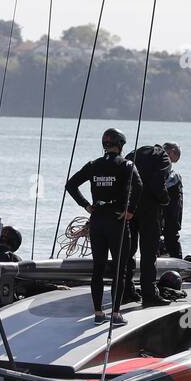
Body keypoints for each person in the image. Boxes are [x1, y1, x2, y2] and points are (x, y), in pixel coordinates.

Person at [66, 128, 140, 325]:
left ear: (104, 145)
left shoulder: (93, 165)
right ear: (121, 145)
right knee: (119, 269)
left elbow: (71, 185)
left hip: (97, 220)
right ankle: (115, 314)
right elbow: (139, 186)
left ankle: (98, 313)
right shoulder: (126, 165)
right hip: (117, 220)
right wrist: (130, 210)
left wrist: (86, 206)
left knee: (98, 268)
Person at [125, 142, 173, 306]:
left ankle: (126, 291)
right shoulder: (162, 157)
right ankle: (149, 294)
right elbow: (158, 182)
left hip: (130, 208)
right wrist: (165, 199)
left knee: (127, 252)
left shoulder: (132, 154)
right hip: (150, 210)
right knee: (148, 253)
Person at [159, 142, 184, 259]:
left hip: (153, 213)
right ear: (172, 152)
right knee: (172, 236)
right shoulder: (173, 177)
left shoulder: (152, 161)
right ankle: (176, 258)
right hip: (169, 218)